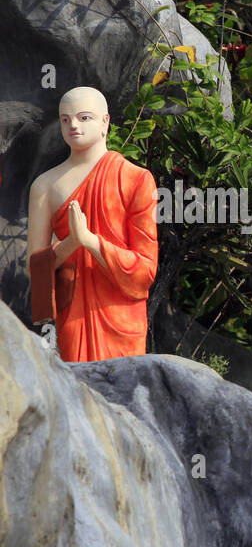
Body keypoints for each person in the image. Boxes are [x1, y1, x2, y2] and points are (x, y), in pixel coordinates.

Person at [26, 86, 158, 360]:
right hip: (73, 314)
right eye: (65, 119)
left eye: (84, 117)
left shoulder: (135, 179)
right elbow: (34, 267)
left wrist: (90, 241)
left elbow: (145, 270)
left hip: (122, 315)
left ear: (105, 122)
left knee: (123, 395)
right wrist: (72, 243)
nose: (73, 125)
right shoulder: (45, 186)